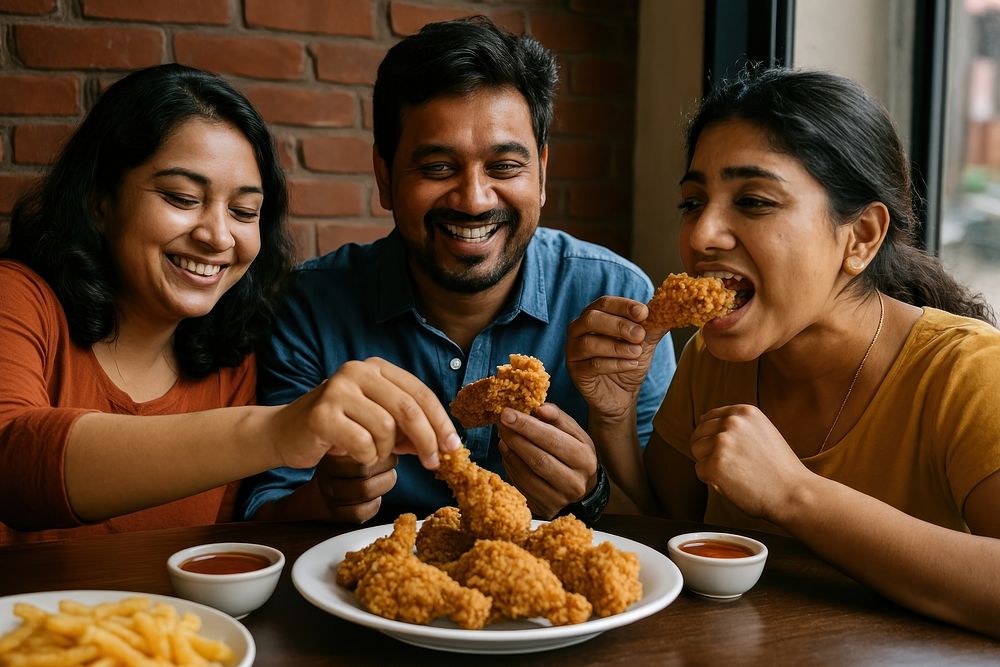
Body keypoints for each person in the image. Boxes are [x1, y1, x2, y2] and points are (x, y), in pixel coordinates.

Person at [569, 66, 1000, 637]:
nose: (701, 236)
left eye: (753, 200)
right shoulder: (712, 357)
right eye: (693, 202)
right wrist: (616, 413)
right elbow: (664, 534)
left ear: (862, 237)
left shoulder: (967, 372)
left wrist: (795, 494)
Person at [239, 16, 675, 527]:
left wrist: (593, 494)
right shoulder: (309, 303)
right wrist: (324, 499)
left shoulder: (616, 295)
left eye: (505, 167)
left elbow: (661, 525)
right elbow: (261, 516)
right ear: (384, 176)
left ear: (541, 175)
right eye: (438, 168)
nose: (473, 199)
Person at [0, 63, 459, 544]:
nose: (218, 236)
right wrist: (276, 431)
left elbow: (220, 543)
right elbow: (13, 462)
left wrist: (319, 502)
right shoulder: (22, 298)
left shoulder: (229, 357)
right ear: (101, 200)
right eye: (182, 197)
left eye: (243, 212)